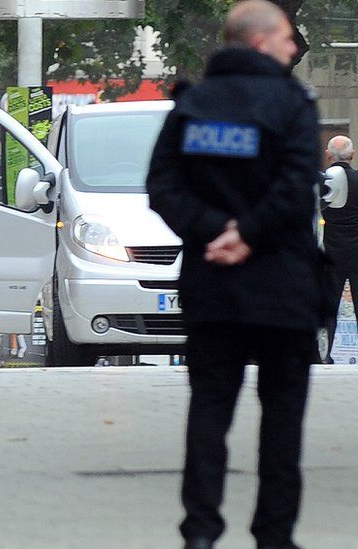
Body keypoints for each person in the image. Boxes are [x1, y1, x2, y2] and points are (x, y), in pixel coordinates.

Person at [146, 2, 328, 548]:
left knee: (209, 410)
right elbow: (298, 187)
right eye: (287, 38)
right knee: (283, 418)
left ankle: (200, 531)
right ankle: (274, 535)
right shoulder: (293, 103)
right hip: (283, 286)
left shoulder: (191, 105)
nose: (294, 48)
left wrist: (213, 232)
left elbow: (163, 189)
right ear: (259, 43)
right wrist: (247, 234)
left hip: (212, 286)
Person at [321, 135, 358, 359]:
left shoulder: (327, 181)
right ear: (352, 156)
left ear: (328, 155)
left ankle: (324, 354)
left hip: (332, 253)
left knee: (328, 307)